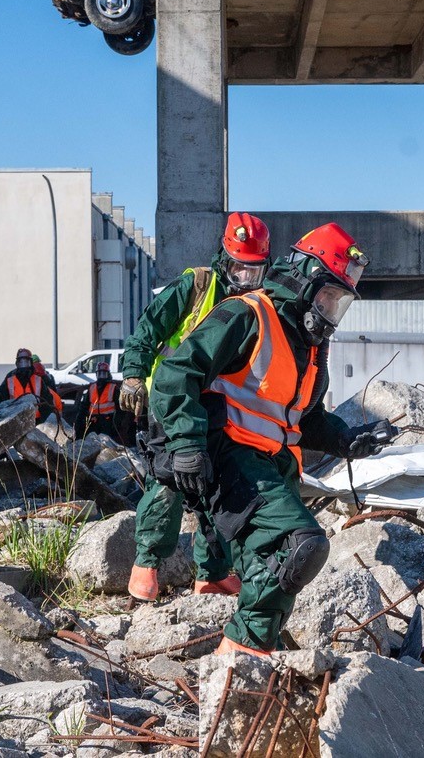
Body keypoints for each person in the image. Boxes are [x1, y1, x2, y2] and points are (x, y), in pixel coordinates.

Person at [147, 223, 392, 654]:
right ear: (305, 280)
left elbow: (304, 416)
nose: (330, 310)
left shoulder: (308, 347)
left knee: (269, 566)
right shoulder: (247, 314)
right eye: (328, 296)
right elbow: (175, 374)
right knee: (302, 545)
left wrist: (345, 440)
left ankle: (247, 654)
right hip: (230, 456)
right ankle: (243, 648)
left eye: (339, 302)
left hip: (273, 467)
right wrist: (186, 443)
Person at [122, 213, 273, 601]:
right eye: (238, 269)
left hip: (218, 405)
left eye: (253, 272)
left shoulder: (258, 303)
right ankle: (146, 566)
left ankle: (213, 573)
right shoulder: (196, 285)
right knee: (170, 478)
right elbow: (148, 329)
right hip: (171, 399)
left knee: (217, 482)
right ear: (224, 259)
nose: (245, 279)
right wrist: (134, 375)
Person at [2, 347, 62, 424]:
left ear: (30, 362)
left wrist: (44, 423)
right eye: (21, 362)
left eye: (26, 362)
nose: (24, 365)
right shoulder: (9, 379)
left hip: (35, 421)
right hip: (14, 421)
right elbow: (1, 401)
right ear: (17, 363)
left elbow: (47, 402)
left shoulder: (38, 380)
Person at [74, 360, 129, 441]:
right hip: (93, 420)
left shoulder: (113, 388)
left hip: (107, 421)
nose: (101, 377)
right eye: (100, 374)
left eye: (104, 374)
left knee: (106, 441)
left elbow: (120, 408)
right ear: (96, 374)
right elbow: (84, 406)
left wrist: (117, 423)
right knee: (91, 440)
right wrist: (80, 421)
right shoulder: (92, 387)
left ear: (108, 374)